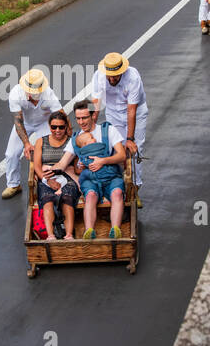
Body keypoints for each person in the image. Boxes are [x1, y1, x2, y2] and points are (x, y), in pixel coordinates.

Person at [49, 100, 126, 239]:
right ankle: (89, 231)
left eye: (84, 117)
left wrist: (103, 161)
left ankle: (116, 230)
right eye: (78, 118)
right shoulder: (77, 139)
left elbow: (122, 155)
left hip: (110, 174)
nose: (81, 122)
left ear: (93, 116)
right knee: (90, 196)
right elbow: (62, 163)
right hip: (90, 177)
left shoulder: (108, 130)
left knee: (117, 193)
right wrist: (44, 171)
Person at [90, 51, 148, 198]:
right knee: (116, 150)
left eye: (116, 75)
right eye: (110, 75)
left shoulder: (133, 77)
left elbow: (131, 110)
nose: (112, 78)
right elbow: (96, 105)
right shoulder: (99, 76)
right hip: (113, 113)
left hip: (136, 112)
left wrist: (130, 138)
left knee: (134, 150)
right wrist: (90, 129)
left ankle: (135, 187)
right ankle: (118, 185)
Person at [2, 68, 62, 199]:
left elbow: (60, 114)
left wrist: (67, 134)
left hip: (44, 122)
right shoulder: (15, 94)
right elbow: (18, 121)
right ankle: (13, 184)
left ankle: (49, 180)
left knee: (47, 152)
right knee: (11, 153)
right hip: (25, 124)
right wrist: (27, 144)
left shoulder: (48, 94)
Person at [32, 111, 79, 240]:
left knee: (67, 198)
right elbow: (36, 166)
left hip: (67, 177)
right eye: (54, 127)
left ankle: (69, 234)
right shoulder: (41, 142)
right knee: (47, 199)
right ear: (49, 126)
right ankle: (51, 235)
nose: (57, 130)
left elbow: (76, 166)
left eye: (61, 127)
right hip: (46, 177)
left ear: (66, 127)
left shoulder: (71, 141)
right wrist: (46, 180)